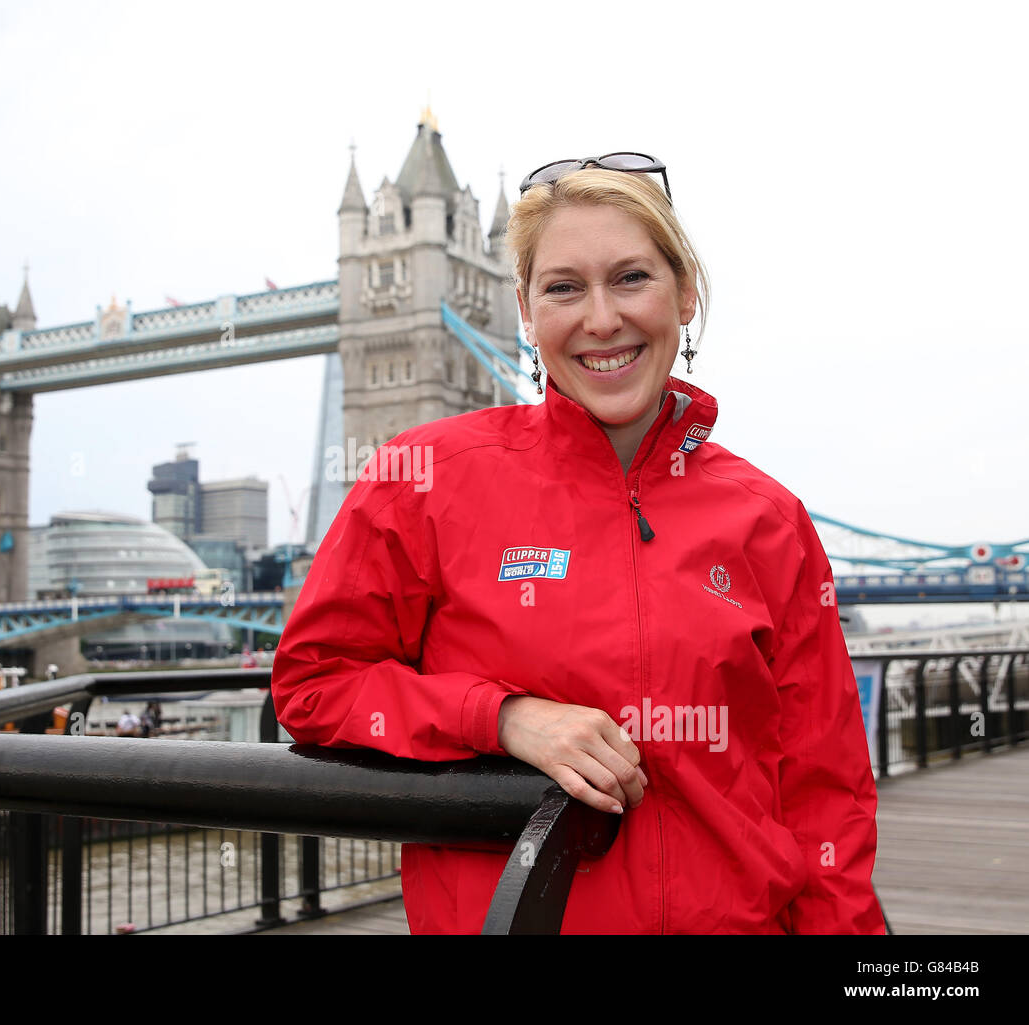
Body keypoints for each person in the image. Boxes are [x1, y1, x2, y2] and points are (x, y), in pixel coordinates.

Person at [270, 153, 885, 935]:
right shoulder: (422, 479)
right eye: (564, 287)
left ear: (685, 292)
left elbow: (826, 792)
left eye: (631, 277)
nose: (601, 319)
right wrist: (501, 717)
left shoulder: (771, 520)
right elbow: (314, 686)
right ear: (524, 311)